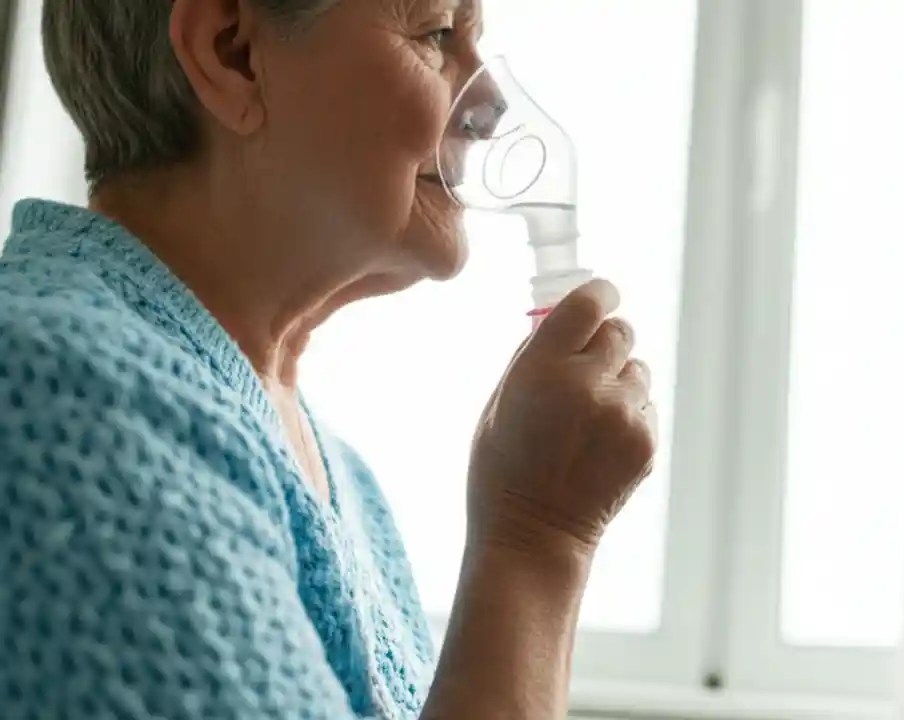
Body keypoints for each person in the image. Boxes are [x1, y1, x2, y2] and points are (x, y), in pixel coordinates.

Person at [0, 0, 657, 717]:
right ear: (233, 55)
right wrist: (539, 543)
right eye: (437, 33)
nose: (491, 105)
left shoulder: (341, 483)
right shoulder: (70, 406)